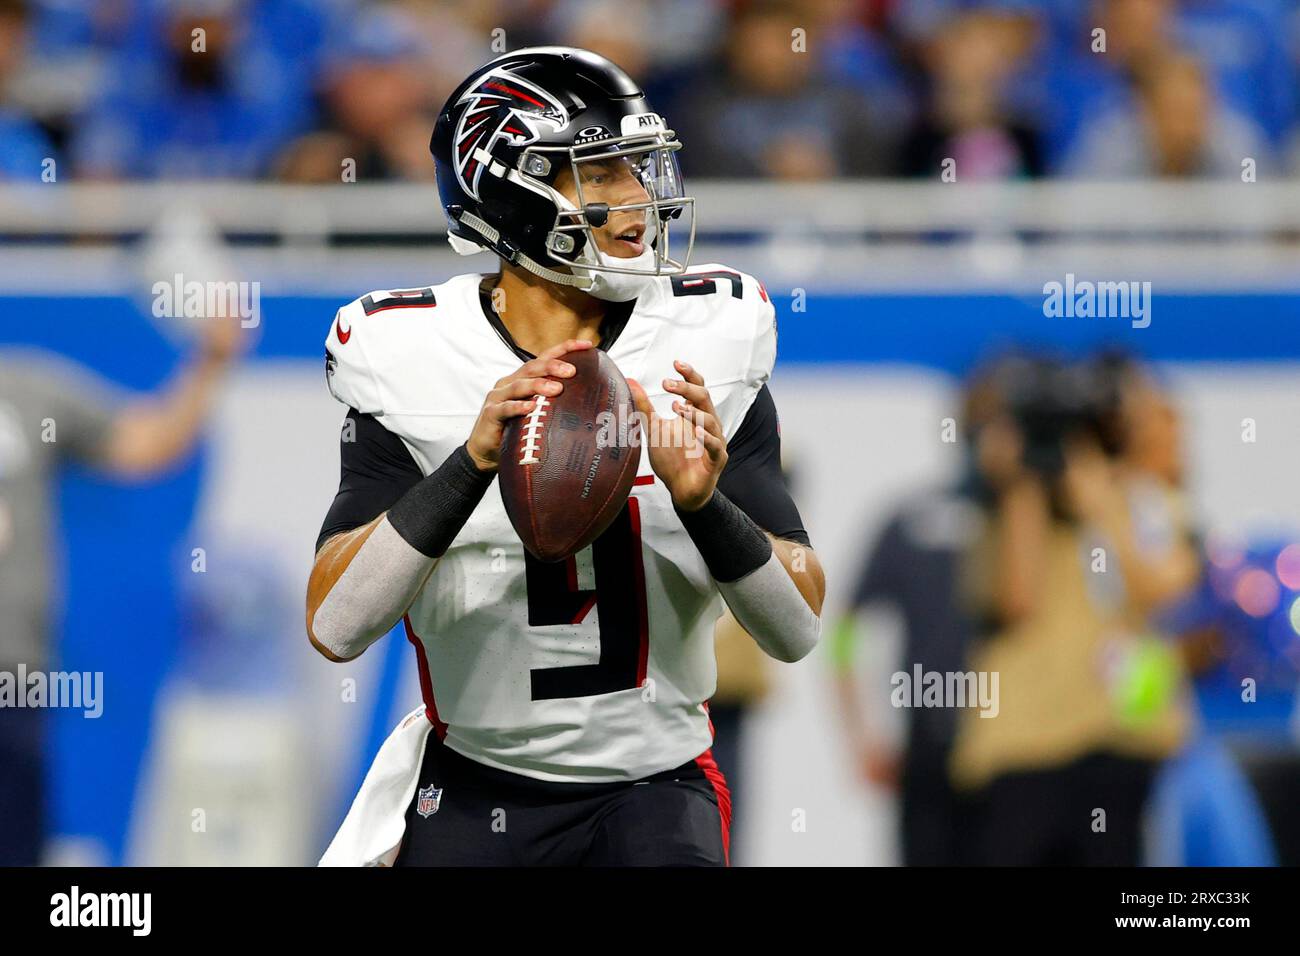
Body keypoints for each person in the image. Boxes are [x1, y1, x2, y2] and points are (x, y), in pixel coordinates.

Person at [309, 47, 824, 867]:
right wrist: (471, 463)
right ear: (506, 190)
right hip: (476, 786)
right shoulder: (408, 350)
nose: (637, 199)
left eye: (639, 166)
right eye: (600, 173)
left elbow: (796, 628)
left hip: (655, 790)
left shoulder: (710, 340)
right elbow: (335, 626)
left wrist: (704, 507)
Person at [0, 316, 244, 865]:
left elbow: (148, 442)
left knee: (17, 841)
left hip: (14, 676)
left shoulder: (28, 387)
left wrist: (211, 360)